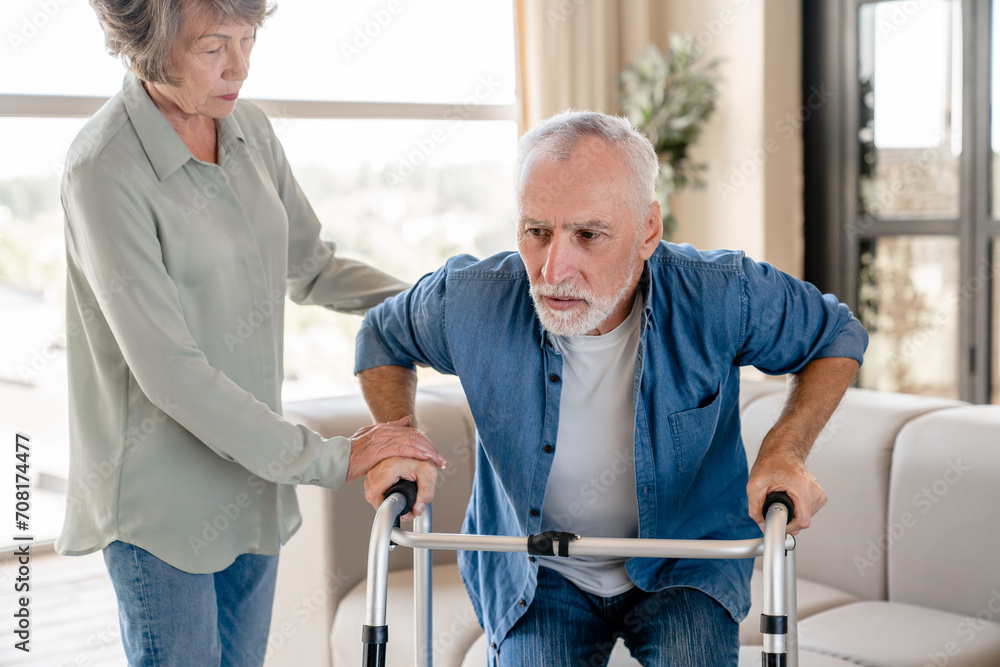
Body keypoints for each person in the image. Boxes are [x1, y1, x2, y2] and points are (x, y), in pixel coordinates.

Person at [354, 111, 868, 665]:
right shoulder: (472, 299)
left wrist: (785, 448)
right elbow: (381, 337)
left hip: (684, 564)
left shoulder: (720, 294)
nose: (555, 269)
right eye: (538, 232)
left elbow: (836, 335)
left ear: (648, 230)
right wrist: (400, 438)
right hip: (538, 569)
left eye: (588, 235)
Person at [55, 1, 446, 664]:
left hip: (251, 480)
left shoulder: (249, 130)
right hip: (160, 504)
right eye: (214, 47)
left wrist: (438, 309)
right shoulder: (102, 168)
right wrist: (332, 457)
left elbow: (311, 266)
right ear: (150, 47)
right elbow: (171, 373)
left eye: (249, 38)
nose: (240, 65)